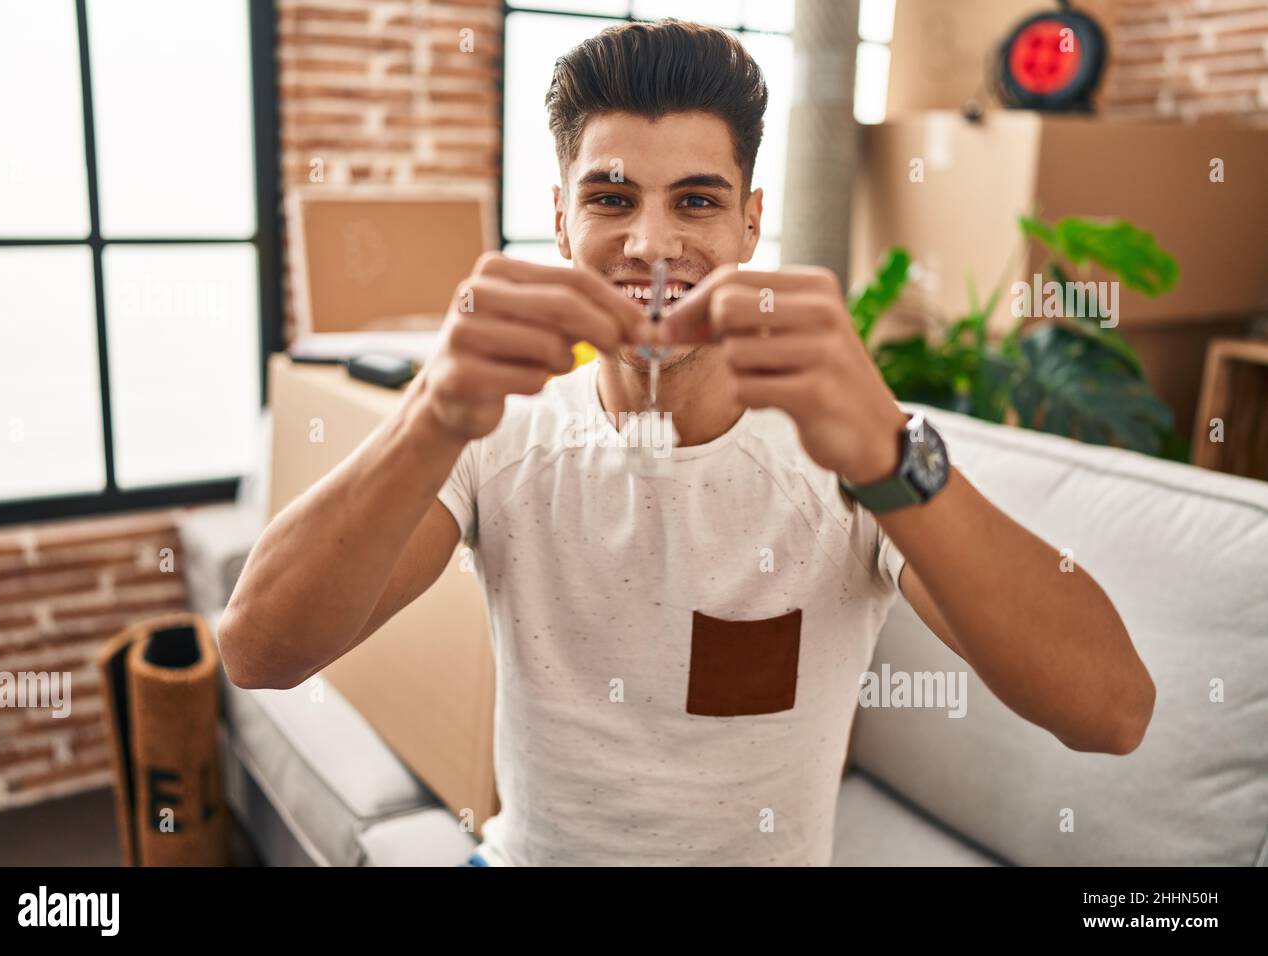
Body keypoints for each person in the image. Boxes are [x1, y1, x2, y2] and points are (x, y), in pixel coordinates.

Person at [219, 19, 1155, 866]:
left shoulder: (859, 454)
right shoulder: (499, 439)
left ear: (752, 221)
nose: (654, 244)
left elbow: (1113, 713)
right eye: (612, 198)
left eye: (698, 202)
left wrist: (885, 450)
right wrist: (428, 413)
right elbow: (259, 650)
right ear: (560, 219)